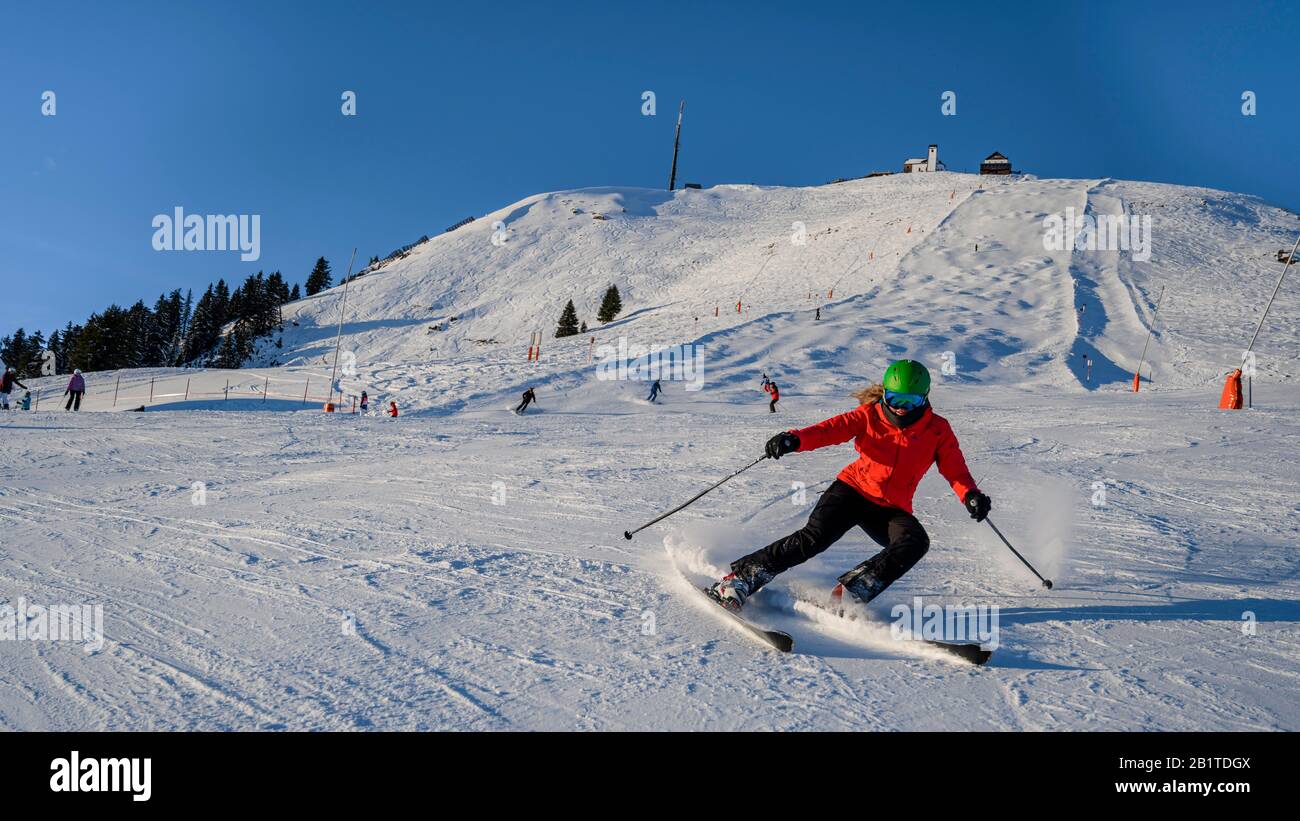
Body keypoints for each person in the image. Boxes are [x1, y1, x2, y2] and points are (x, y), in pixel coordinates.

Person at [709, 360, 991, 612]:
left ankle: (851, 593)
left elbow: (955, 469)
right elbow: (829, 430)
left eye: (909, 402)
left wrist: (970, 495)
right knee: (814, 538)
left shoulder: (937, 430)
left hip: (891, 508)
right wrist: (794, 440)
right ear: (884, 394)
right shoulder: (869, 416)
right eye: (893, 399)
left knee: (914, 542)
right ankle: (741, 578)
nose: (899, 408)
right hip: (852, 491)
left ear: (924, 399)